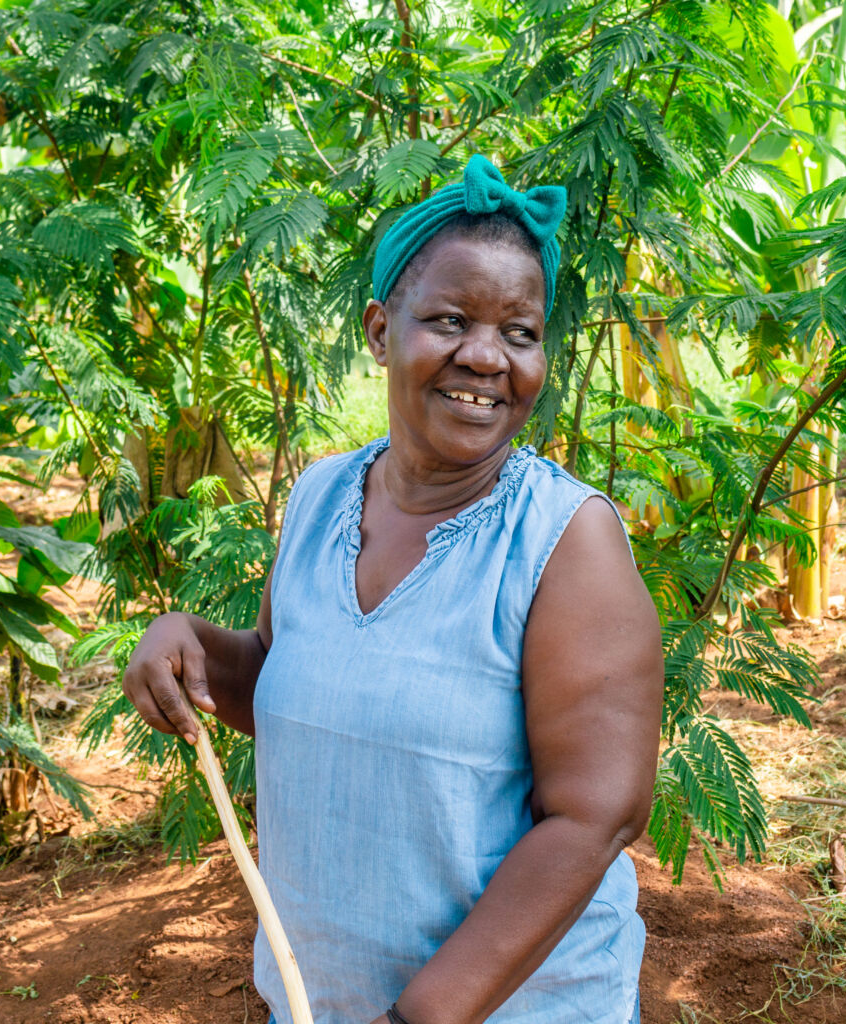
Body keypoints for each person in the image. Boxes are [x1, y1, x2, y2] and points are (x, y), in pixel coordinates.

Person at [122, 155, 663, 1024]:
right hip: (319, 1000)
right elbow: (285, 683)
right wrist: (183, 641)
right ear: (380, 331)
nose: (486, 357)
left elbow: (591, 818)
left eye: (520, 333)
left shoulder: (566, 542)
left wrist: (420, 1017)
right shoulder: (320, 495)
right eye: (450, 319)